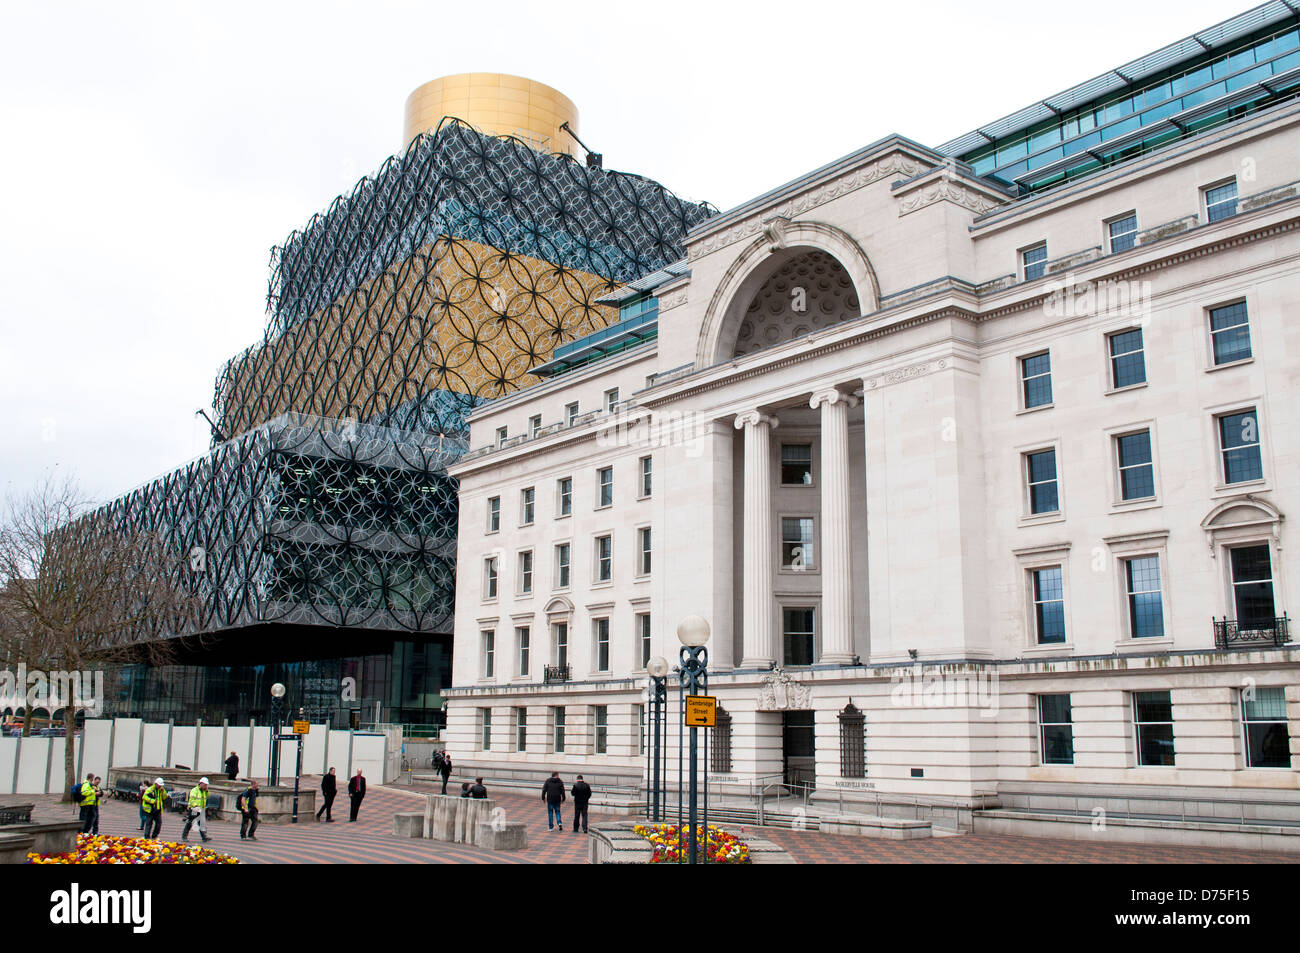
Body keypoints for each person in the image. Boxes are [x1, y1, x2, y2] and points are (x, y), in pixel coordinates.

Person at [181, 777, 212, 843]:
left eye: (206, 785)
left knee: (202, 824)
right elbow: (192, 799)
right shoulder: (194, 790)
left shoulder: (204, 791)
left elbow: (208, 797)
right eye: (205, 785)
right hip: (194, 809)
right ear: (201, 784)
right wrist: (196, 806)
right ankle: (184, 836)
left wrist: (207, 791)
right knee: (190, 822)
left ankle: (204, 837)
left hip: (201, 809)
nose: (206, 786)